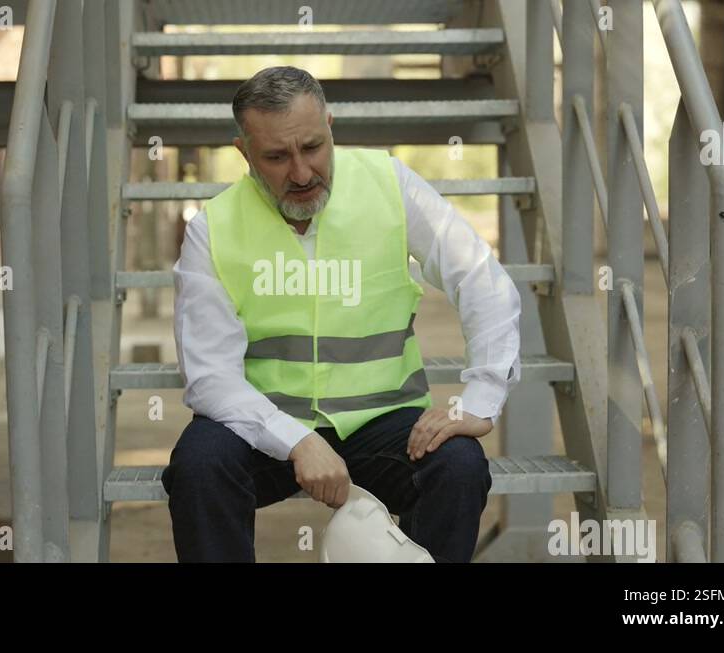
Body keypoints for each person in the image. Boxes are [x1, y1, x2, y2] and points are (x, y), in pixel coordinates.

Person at [162, 66, 522, 562]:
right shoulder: (214, 229)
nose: (302, 173)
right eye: (276, 156)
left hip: (384, 422)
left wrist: (481, 398)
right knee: (199, 466)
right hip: (262, 424)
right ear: (243, 153)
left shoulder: (390, 184)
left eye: (312, 147)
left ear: (330, 126)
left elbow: (480, 277)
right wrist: (296, 441)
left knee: (457, 465)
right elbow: (209, 379)